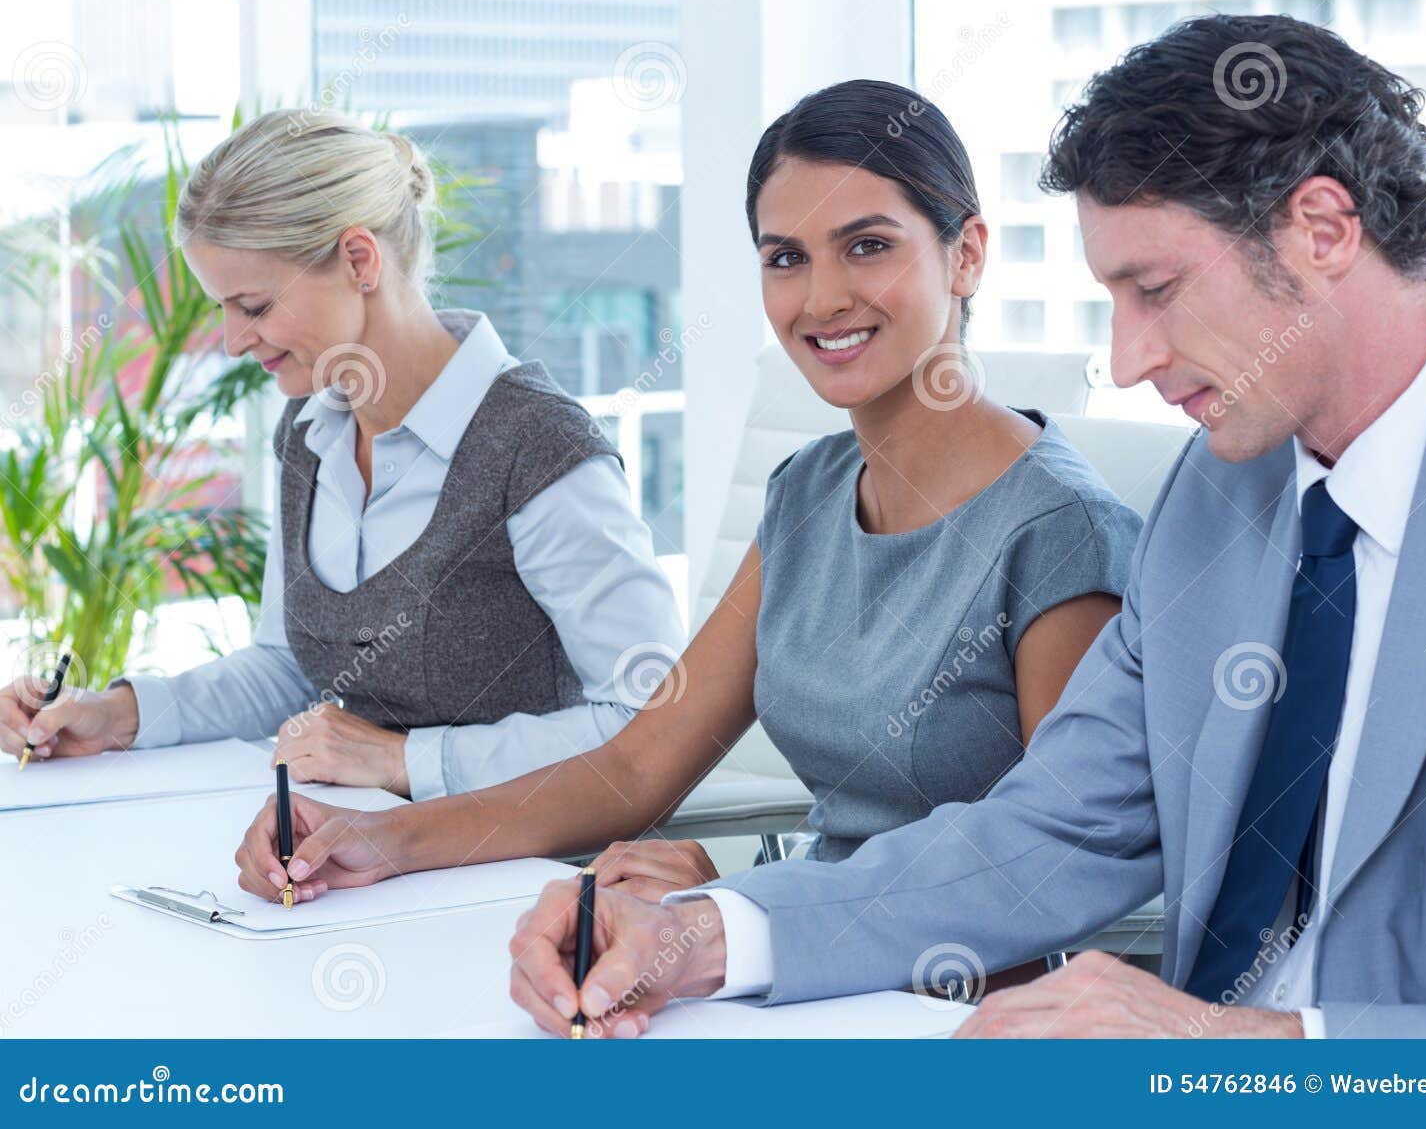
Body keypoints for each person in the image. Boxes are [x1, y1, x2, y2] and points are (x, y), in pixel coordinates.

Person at [504, 15, 1426, 1039]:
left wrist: (1250, 1043)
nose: (1125, 359)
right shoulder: (1219, 497)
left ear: (1320, 227)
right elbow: (1047, 830)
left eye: (1156, 289)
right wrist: (706, 930)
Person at [231, 80, 1142, 908]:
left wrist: (751, 903)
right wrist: (380, 840)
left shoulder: (1059, 534)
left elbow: (1046, 864)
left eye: (868, 247)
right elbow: (639, 764)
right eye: (785, 258)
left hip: (961, 1012)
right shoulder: (809, 494)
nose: (822, 297)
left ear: (968, 254)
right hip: (788, 972)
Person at [0, 109, 684, 801]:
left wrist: (401, 759)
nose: (234, 341)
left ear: (359, 260)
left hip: (529, 871)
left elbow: (653, 720)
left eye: (255, 306)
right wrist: (116, 716)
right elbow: (286, 669)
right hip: (360, 856)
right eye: (224, 310)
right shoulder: (309, 432)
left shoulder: (540, 449)